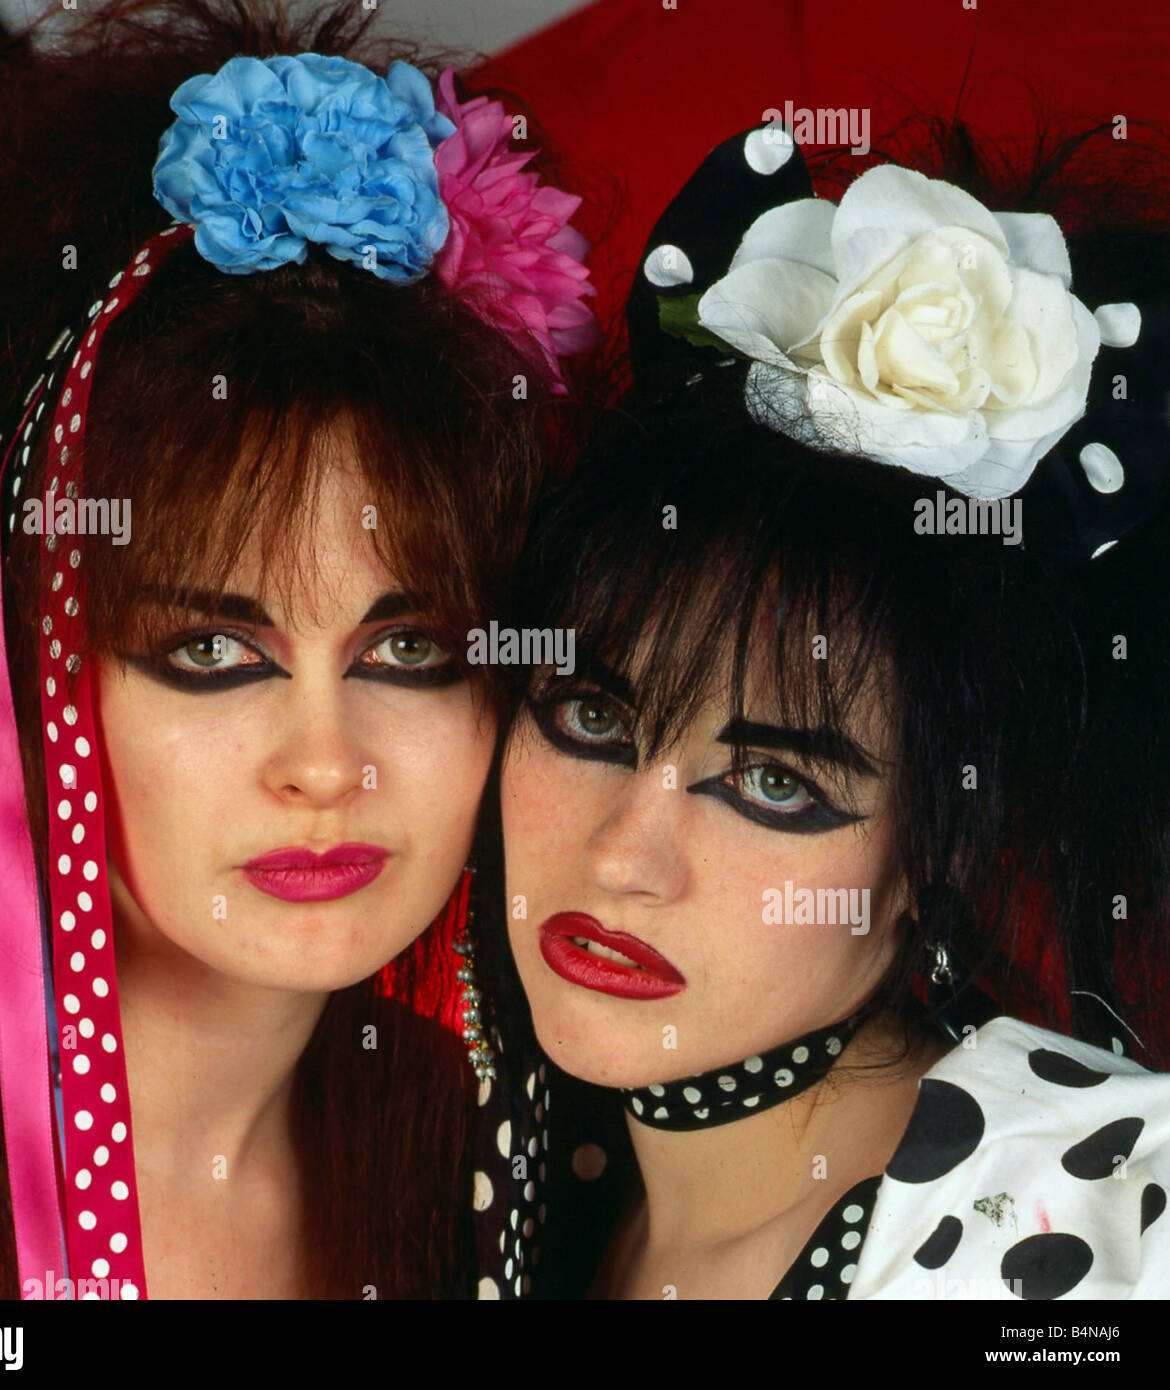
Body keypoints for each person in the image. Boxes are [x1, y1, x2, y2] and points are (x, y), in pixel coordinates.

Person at [0, 0, 596, 1299]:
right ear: (36, 669)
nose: (325, 765)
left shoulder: (495, 1162)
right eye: (213, 650)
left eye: (411, 650)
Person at [469, 118, 1170, 1300]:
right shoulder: (501, 1179)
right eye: (591, 719)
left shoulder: (1111, 1218)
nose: (623, 858)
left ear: (936, 849)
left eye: (774, 783)